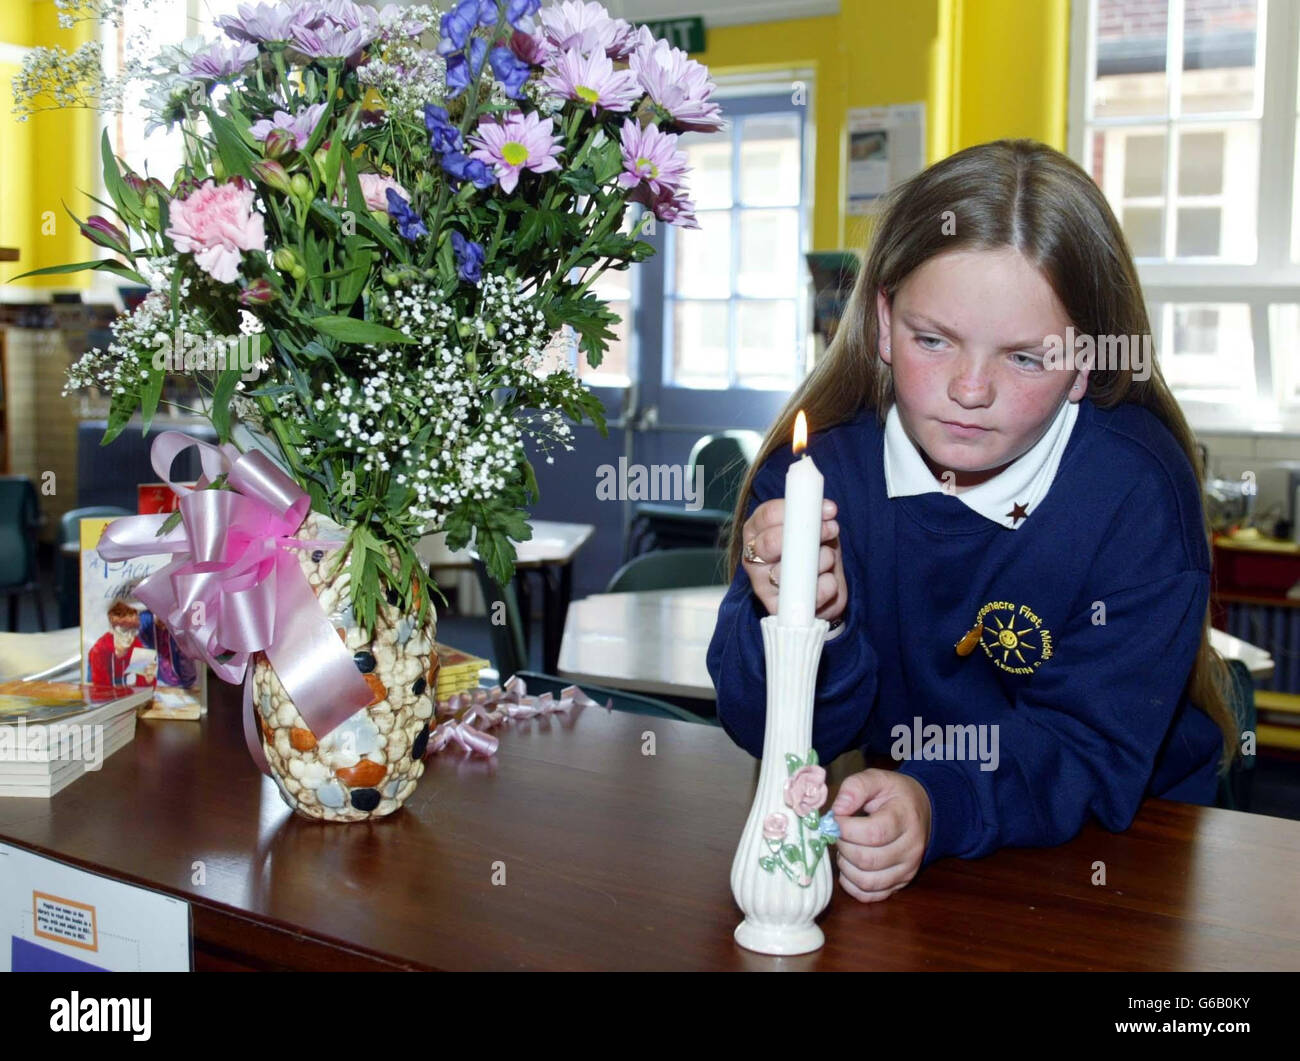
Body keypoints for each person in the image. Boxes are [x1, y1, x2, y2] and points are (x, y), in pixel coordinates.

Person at [707, 139, 1239, 904]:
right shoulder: (821, 473)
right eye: (933, 340)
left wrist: (939, 800)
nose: (970, 389)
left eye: (1025, 358)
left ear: (1086, 361)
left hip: (1120, 861)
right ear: (884, 324)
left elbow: (1088, 748)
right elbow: (772, 735)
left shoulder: (1135, 490)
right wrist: (809, 620)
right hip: (918, 859)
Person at [88, 600, 158, 689]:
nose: (129, 637)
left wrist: (149, 680)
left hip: (120, 680)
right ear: (112, 630)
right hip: (99, 678)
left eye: (133, 631)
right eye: (124, 631)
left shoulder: (137, 645)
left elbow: (145, 688)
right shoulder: (99, 650)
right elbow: (101, 691)